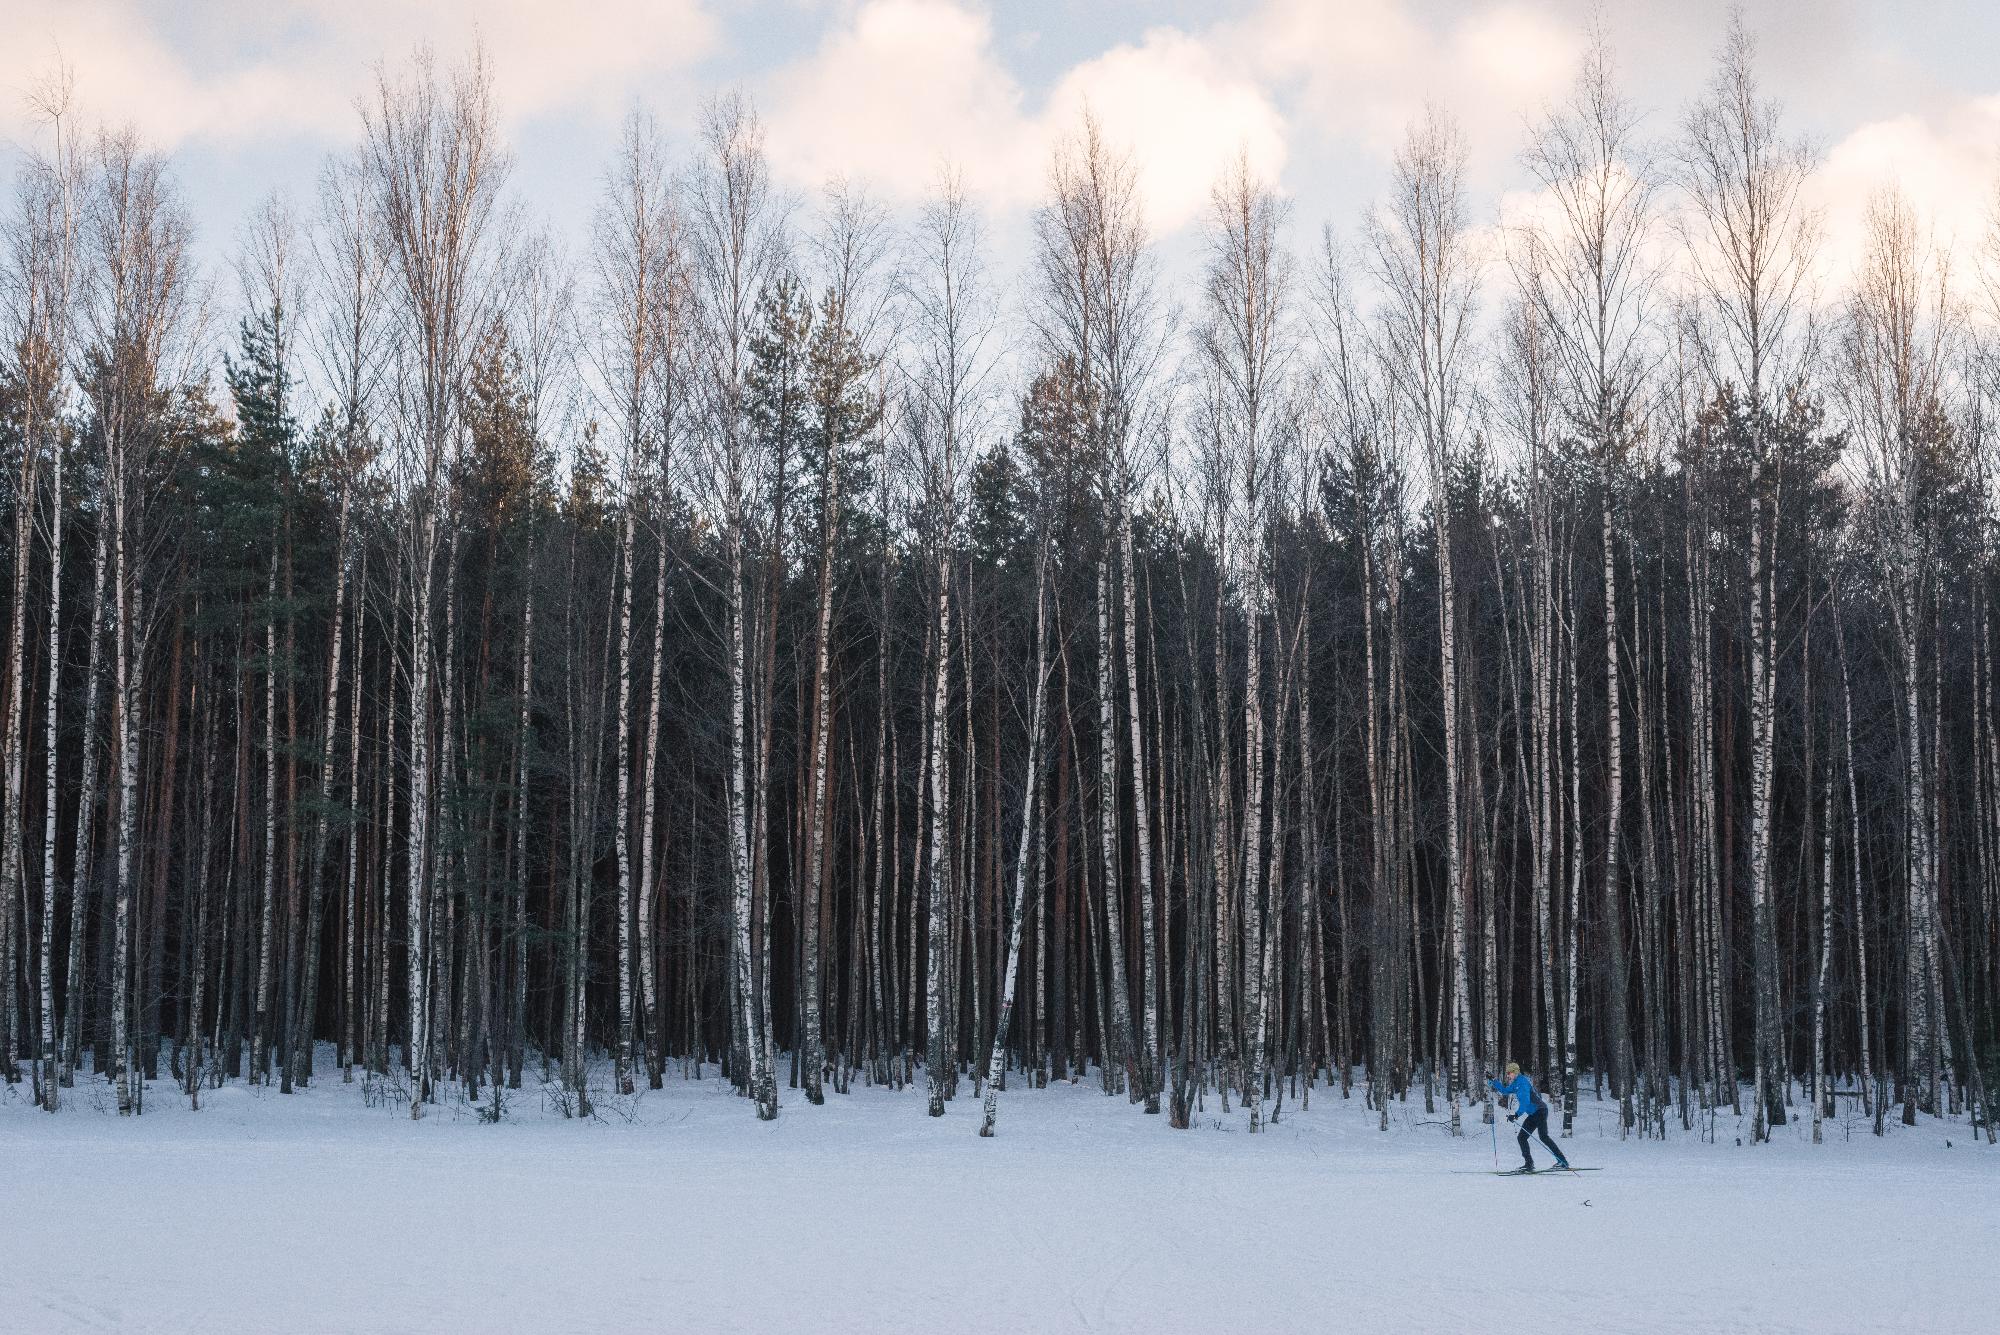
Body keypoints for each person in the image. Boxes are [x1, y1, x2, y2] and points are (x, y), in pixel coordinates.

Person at [1488, 1061, 1569, 1172]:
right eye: (1507, 1073)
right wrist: (1494, 1081)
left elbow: (1525, 1102)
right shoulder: (1516, 1083)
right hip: (1533, 1114)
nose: (1507, 1075)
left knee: (1543, 1137)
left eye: (1509, 1073)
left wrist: (1516, 1115)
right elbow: (1505, 1091)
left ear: (1515, 1072)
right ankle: (1529, 1164)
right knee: (1522, 1137)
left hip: (1540, 1111)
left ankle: (1562, 1162)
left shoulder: (1522, 1083)